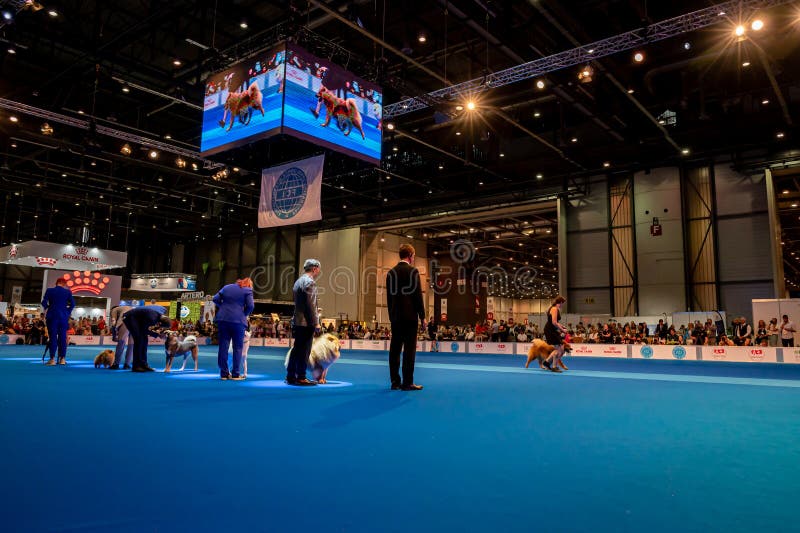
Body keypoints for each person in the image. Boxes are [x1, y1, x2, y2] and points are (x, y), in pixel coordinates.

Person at [386, 244, 426, 391]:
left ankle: (395, 382)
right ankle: (407, 382)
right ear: (410, 255)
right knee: (409, 351)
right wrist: (422, 316)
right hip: (410, 317)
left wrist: (391, 316)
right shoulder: (413, 271)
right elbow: (417, 295)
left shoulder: (391, 273)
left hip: (396, 317)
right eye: (413, 256)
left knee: (395, 350)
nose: (413, 258)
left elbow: (389, 298)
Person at [286, 259, 322, 386]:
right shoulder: (310, 282)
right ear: (314, 268)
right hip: (306, 323)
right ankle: (301, 376)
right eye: (318, 269)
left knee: (296, 349)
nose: (318, 272)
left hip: (297, 321)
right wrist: (316, 322)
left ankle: (291, 375)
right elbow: (310, 305)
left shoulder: (298, 282)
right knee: (304, 350)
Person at [213, 278, 255, 380]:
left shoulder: (227, 287)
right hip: (238, 321)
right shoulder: (248, 290)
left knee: (223, 347)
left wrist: (223, 307)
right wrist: (243, 314)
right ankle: (235, 374)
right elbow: (250, 306)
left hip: (223, 319)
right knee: (238, 348)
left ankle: (224, 374)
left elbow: (215, 299)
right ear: (249, 285)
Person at [122, 305, 172, 372]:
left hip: (138, 317)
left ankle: (143, 364)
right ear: (160, 323)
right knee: (139, 340)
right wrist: (158, 335)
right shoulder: (152, 318)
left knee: (144, 340)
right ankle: (136, 366)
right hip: (129, 317)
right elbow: (145, 330)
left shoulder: (163, 310)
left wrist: (157, 332)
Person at [41, 277, 76, 365]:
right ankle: (62, 359)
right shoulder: (68, 292)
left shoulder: (49, 290)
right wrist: (67, 312)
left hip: (52, 316)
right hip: (63, 318)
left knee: (52, 337)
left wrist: (48, 308)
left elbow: (44, 302)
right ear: (64, 284)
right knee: (63, 338)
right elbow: (73, 304)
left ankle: (52, 359)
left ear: (56, 283)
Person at [543, 296, 568, 372]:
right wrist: (562, 330)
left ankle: (547, 362)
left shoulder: (554, 308)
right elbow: (554, 322)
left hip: (552, 329)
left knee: (561, 349)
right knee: (559, 349)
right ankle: (554, 367)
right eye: (563, 303)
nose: (563, 305)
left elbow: (555, 322)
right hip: (550, 330)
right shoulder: (554, 309)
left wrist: (562, 326)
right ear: (561, 302)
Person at [109, 304, 133, 370]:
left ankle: (116, 364)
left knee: (121, 343)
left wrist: (114, 336)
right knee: (131, 345)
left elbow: (113, 323)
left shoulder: (114, 310)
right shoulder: (126, 308)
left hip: (126, 320)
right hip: (136, 322)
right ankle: (127, 364)